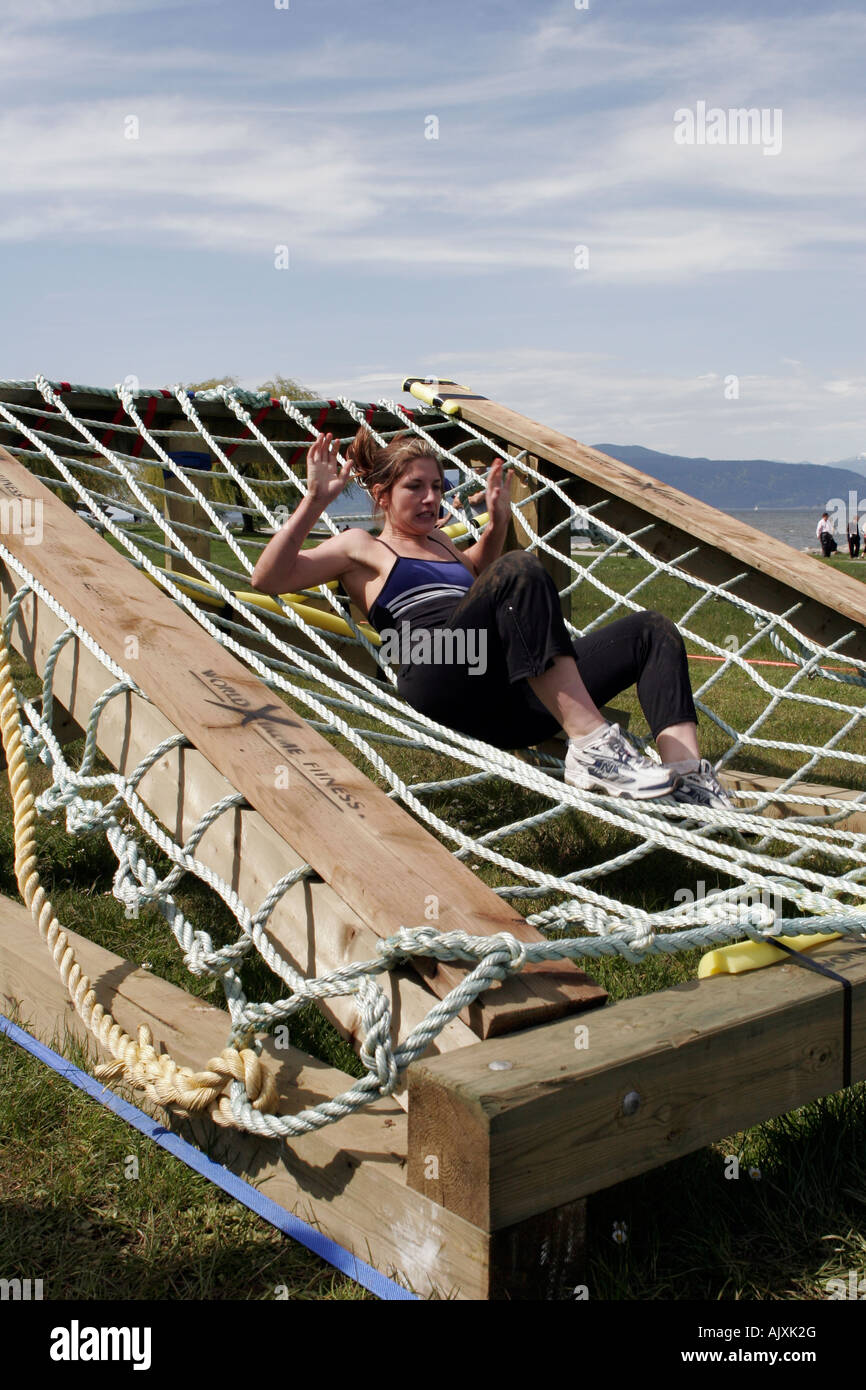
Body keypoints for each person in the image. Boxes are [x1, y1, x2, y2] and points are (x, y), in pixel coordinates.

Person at [250, 429, 731, 808]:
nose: (429, 498)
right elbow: (267, 579)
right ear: (381, 494)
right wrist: (314, 500)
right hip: (435, 671)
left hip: (509, 699)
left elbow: (480, 572)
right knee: (519, 570)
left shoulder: (441, 542)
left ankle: (686, 779)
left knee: (652, 630)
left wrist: (499, 522)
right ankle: (593, 748)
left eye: (437, 486)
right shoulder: (362, 546)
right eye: (413, 487)